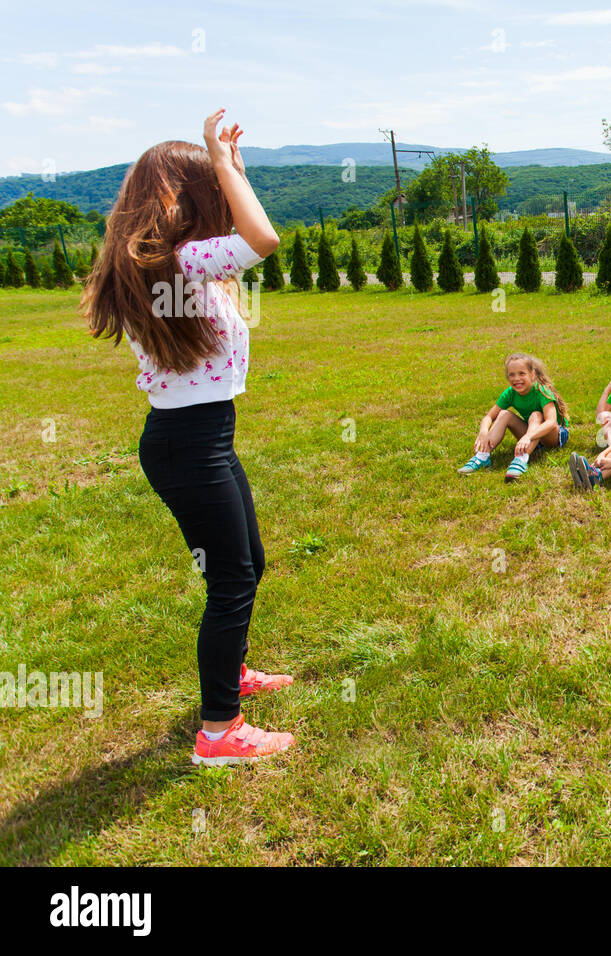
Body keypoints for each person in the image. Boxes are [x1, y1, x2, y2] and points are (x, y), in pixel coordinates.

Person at [81, 108, 294, 766]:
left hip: (199, 438)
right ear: (184, 198)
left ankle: (230, 679)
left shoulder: (169, 264)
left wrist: (226, 172)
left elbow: (241, 239)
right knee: (231, 580)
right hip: (188, 443)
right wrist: (225, 166)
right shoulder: (182, 261)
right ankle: (218, 731)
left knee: (246, 564)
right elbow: (264, 239)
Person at [459, 353, 571, 481]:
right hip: (531, 436)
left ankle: (520, 459)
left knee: (536, 415)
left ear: (532, 374)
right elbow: (488, 417)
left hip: (554, 436)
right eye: (511, 375)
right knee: (503, 414)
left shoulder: (541, 391)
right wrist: (483, 432)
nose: (516, 378)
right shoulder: (510, 393)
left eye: (521, 373)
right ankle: (482, 456)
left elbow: (551, 423)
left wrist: (528, 436)